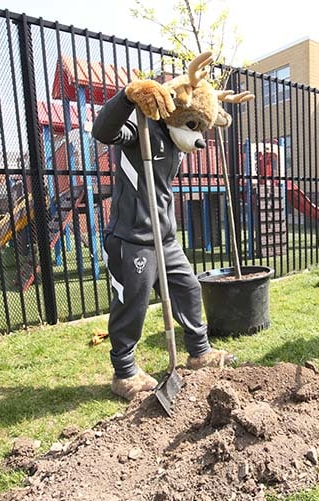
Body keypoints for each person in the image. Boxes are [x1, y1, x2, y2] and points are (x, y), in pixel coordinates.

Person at [92, 87, 235, 401]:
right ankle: (124, 372)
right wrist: (127, 98)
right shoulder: (141, 128)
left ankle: (199, 352)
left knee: (189, 288)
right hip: (132, 239)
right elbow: (103, 131)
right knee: (132, 304)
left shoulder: (176, 137)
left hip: (165, 238)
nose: (199, 138)